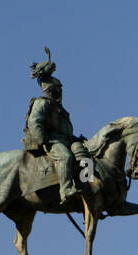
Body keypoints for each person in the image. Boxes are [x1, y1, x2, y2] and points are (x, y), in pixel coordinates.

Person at [22, 50, 86, 202]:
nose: (60, 91)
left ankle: (88, 185)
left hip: (66, 139)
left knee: (85, 154)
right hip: (52, 141)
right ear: (50, 90)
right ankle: (66, 189)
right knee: (66, 156)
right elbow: (34, 122)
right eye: (57, 89)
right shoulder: (41, 103)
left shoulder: (58, 107)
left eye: (60, 89)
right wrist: (43, 139)